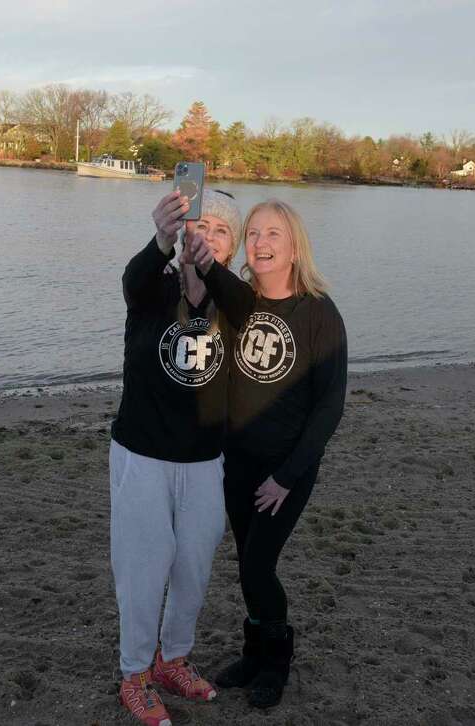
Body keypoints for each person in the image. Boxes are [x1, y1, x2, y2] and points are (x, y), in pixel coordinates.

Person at [184, 198, 348, 709]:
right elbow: (197, 276)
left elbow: (329, 408)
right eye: (253, 233)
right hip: (234, 464)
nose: (259, 242)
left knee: (258, 566)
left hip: (286, 471)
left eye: (273, 233)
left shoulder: (320, 312)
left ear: (295, 245)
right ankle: (254, 651)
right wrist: (189, 235)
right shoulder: (241, 300)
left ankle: (276, 660)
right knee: (245, 563)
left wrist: (288, 475)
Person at [110, 188, 244, 726]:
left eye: (220, 230)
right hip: (142, 451)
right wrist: (162, 240)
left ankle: (173, 660)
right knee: (143, 566)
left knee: (193, 565)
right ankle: (135, 675)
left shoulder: (234, 300)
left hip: (204, 460)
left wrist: (211, 278)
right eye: (198, 224)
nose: (206, 236)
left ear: (230, 248)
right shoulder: (153, 288)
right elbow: (131, 281)